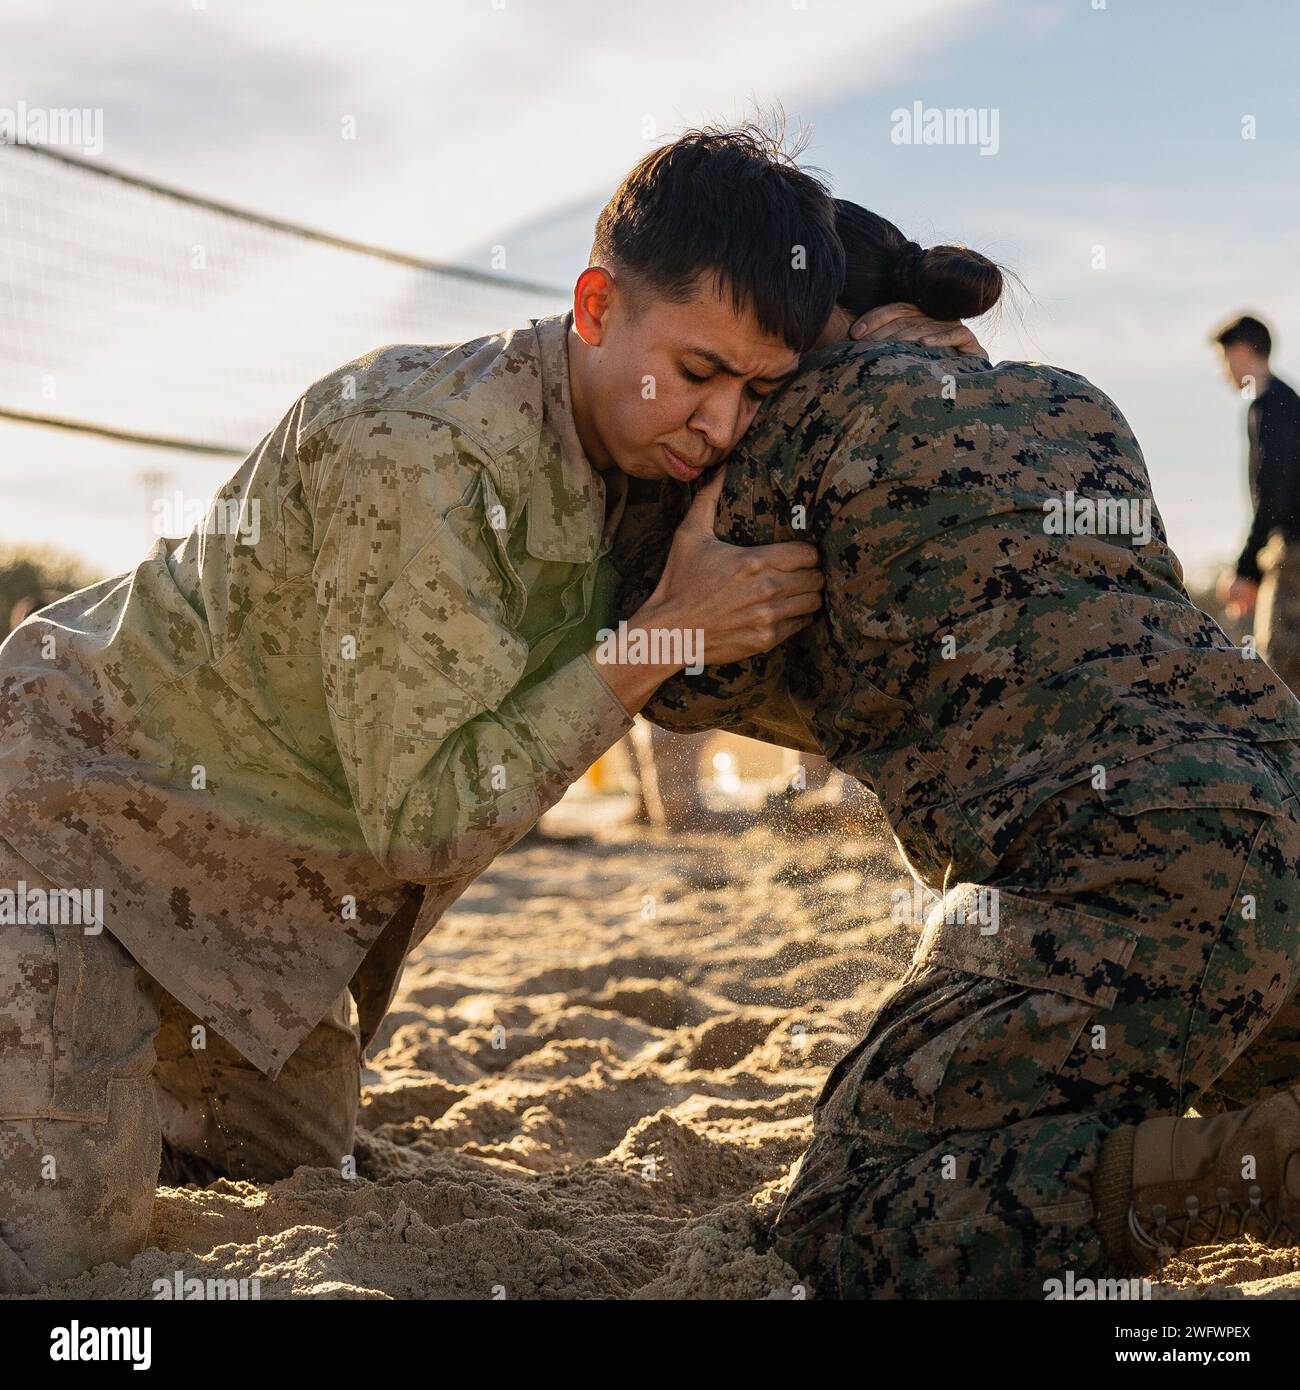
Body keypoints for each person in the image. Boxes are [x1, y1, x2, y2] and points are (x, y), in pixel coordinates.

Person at [0, 125, 851, 1289]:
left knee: (290, 1161)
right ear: (594, 306)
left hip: (241, 896)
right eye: (698, 373)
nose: (723, 426)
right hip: (62, 821)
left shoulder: (639, 446)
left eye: (759, 391)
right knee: (59, 1249)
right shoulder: (425, 457)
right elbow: (425, 816)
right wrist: (665, 634)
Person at [618, 200, 1300, 1298]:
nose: (740, 395)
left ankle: (1264, 1174)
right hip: (1279, 826)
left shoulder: (808, 420)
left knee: (850, 1216)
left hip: (1138, 873)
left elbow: (692, 682)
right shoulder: (1077, 401)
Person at [1212, 313, 1300, 693]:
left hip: (1292, 555)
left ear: (1243, 352)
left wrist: (1247, 569)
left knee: (1280, 681)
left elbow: (1274, 495)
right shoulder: (1285, 402)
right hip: (1287, 552)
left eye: (1224, 360)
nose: (1224, 372)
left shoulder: (1272, 405)